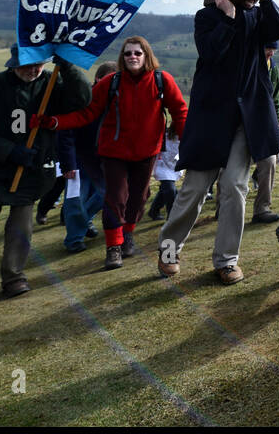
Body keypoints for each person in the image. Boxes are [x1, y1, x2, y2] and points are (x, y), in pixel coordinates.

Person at [158, 0, 279, 285]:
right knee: (194, 190)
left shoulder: (259, 18)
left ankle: (227, 261)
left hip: (247, 120)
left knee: (234, 187)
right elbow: (211, 51)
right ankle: (169, 252)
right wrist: (228, 14)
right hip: (212, 120)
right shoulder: (208, 17)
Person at [0, 46, 91, 299]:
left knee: (22, 226)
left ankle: (14, 276)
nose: (33, 70)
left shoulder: (52, 85)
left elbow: (82, 99)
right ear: (13, 63)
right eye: (27, 64)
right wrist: (8, 151)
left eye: (38, 64)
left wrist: (69, 67)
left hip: (31, 168)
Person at [41, 37, 186, 271]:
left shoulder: (162, 80)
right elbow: (86, 114)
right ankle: (113, 248)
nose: (133, 57)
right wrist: (56, 122)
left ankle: (127, 234)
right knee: (115, 198)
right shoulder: (111, 82)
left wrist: (187, 142)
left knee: (139, 198)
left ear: (146, 55)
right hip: (113, 152)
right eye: (128, 53)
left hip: (147, 152)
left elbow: (180, 111)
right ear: (122, 57)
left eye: (138, 53)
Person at [62, 62, 115, 252]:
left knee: (106, 196)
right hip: (77, 161)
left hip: (103, 161)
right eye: (109, 79)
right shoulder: (81, 100)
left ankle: (84, 223)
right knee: (75, 199)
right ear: (99, 79)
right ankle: (74, 239)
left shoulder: (116, 102)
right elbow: (66, 133)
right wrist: (68, 164)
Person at [248, 41, 279, 225]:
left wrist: (274, 125)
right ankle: (223, 209)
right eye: (267, 47)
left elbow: (275, 98)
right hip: (240, 122)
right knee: (227, 170)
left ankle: (262, 209)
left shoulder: (273, 68)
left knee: (269, 162)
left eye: (273, 48)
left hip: (264, 123)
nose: (271, 52)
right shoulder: (244, 62)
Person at [148, 126, 180, 221]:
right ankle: (172, 217)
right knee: (170, 190)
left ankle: (153, 211)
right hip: (162, 165)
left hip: (173, 165)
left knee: (165, 190)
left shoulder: (186, 134)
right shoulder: (164, 134)